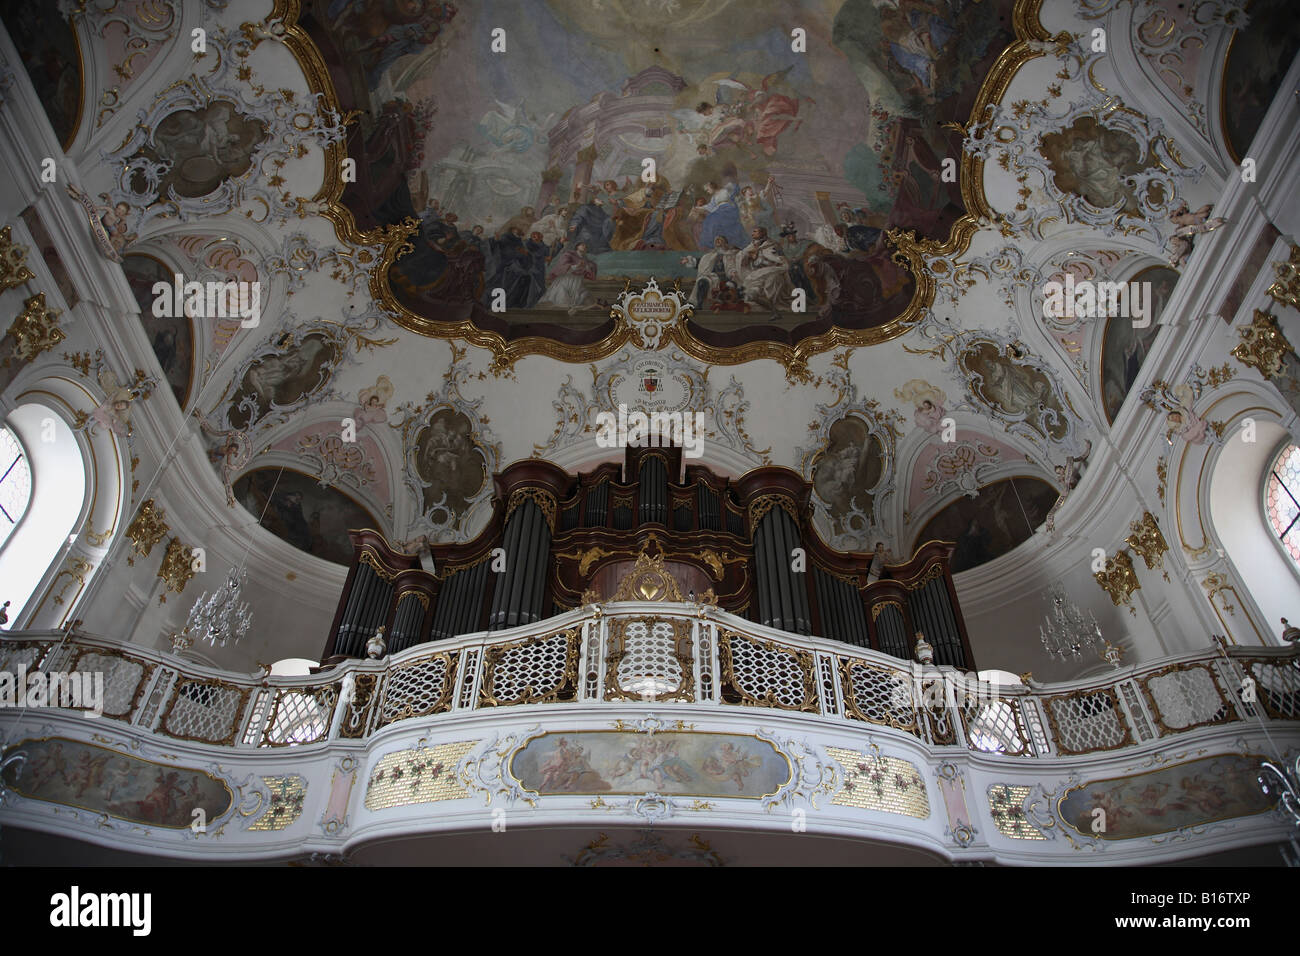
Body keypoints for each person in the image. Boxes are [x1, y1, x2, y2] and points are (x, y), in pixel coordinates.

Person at [739, 226, 791, 317]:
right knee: (750, 294)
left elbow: (780, 259)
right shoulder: (750, 247)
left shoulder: (773, 245)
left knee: (773, 281)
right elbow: (744, 261)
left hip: (773, 271)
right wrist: (748, 256)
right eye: (752, 232)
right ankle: (770, 309)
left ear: (762, 233)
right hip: (757, 273)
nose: (752, 233)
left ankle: (774, 306)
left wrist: (772, 261)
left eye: (755, 231)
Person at [536, 241, 597, 314]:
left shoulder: (585, 258)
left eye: (586, 246)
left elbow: (589, 267)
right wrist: (576, 266)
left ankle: (574, 307)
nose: (584, 246)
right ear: (577, 246)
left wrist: (588, 267)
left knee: (582, 296)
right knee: (563, 296)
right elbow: (563, 265)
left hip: (577, 281)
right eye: (582, 245)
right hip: (567, 279)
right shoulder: (569, 254)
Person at [682, 236, 740, 310]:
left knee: (729, 287)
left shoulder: (730, 255)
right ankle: (699, 304)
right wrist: (689, 260)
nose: (718, 241)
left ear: (725, 243)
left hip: (725, 279)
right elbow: (700, 262)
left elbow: (732, 266)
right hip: (711, 278)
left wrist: (733, 272)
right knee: (702, 281)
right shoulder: (709, 256)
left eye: (720, 240)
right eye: (716, 240)